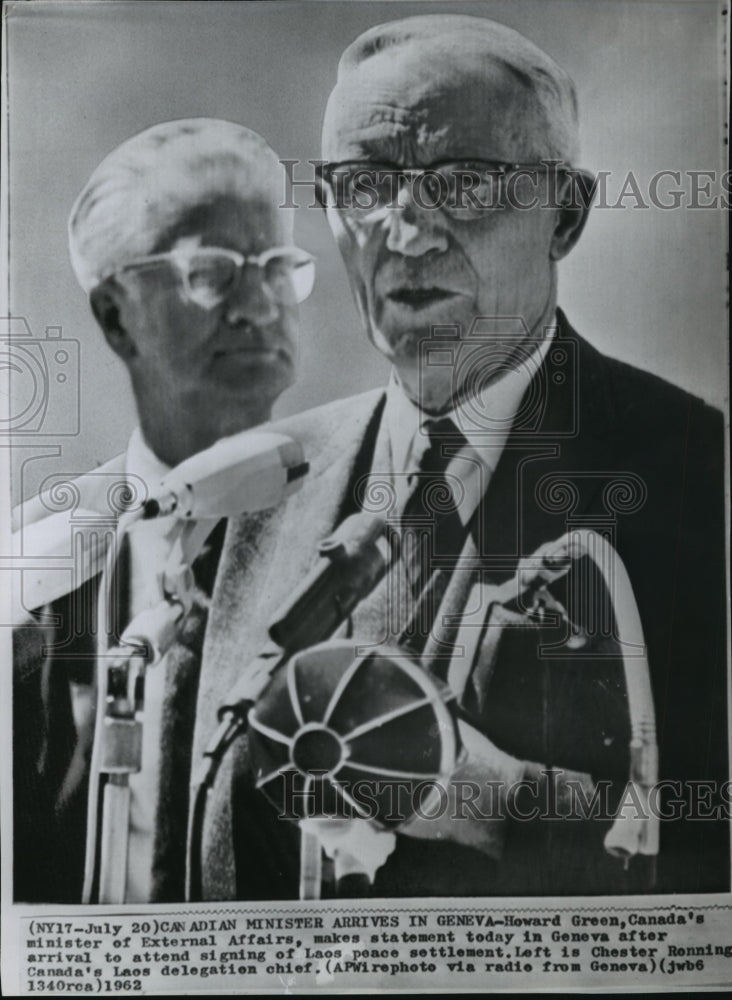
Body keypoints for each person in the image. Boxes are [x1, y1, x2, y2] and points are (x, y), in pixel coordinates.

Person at [192, 15, 728, 899]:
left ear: (565, 215)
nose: (404, 233)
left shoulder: (700, 479)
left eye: (465, 183)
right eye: (364, 185)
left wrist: (494, 800)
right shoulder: (253, 491)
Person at [12, 117, 315, 902]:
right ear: (115, 316)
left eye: (277, 268)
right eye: (211, 273)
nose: (259, 306)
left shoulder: (364, 524)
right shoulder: (36, 560)